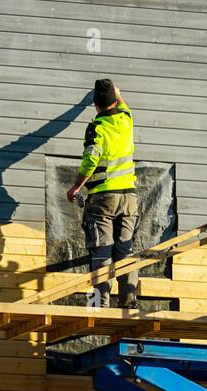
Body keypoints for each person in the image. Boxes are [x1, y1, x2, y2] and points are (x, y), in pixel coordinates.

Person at [66, 79, 139, 309]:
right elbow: (122, 103)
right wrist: (116, 91)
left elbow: (91, 161)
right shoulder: (126, 120)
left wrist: (76, 187)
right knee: (125, 252)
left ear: (96, 105)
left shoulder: (97, 128)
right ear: (115, 100)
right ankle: (129, 303)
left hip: (103, 199)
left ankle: (101, 305)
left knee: (102, 251)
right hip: (129, 198)